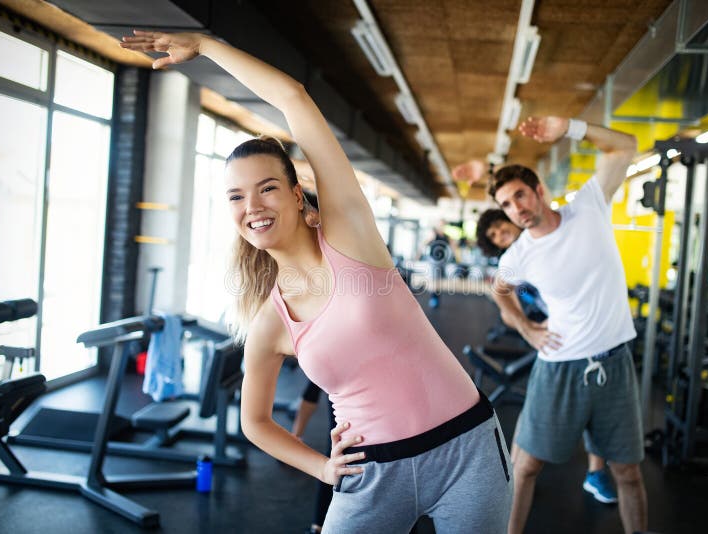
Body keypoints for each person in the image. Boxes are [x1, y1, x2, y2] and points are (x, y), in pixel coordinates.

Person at [120, 30, 512, 533]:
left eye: (267, 188)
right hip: (370, 473)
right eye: (236, 197)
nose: (253, 206)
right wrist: (321, 467)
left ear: (299, 198)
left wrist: (207, 45)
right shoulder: (268, 322)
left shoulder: (349, 235)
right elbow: (254, 422)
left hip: (468, 452)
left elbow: (293, 99)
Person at [489, 116, 646, 534]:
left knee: (628, 472)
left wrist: (571, 127)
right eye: (506, 204)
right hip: (559, 365)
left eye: (520, 195)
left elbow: (626, 145)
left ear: (539, 190)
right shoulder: (518, 255)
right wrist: (527, 329)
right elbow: (499, 291)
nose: (516, 208)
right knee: (525, 467)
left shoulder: (589, 206)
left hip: (614, 363)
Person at [475, 208, 619, 504]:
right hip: (555, 340)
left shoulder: (547, 242)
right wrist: (531, 327)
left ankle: (595, 472)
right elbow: (506, 310)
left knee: (595, 404)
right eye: (495, 237)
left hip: (591, 332)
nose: (502, 236)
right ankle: (513, 477)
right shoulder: (513, 263)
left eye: (502, 228)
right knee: (534, 411)